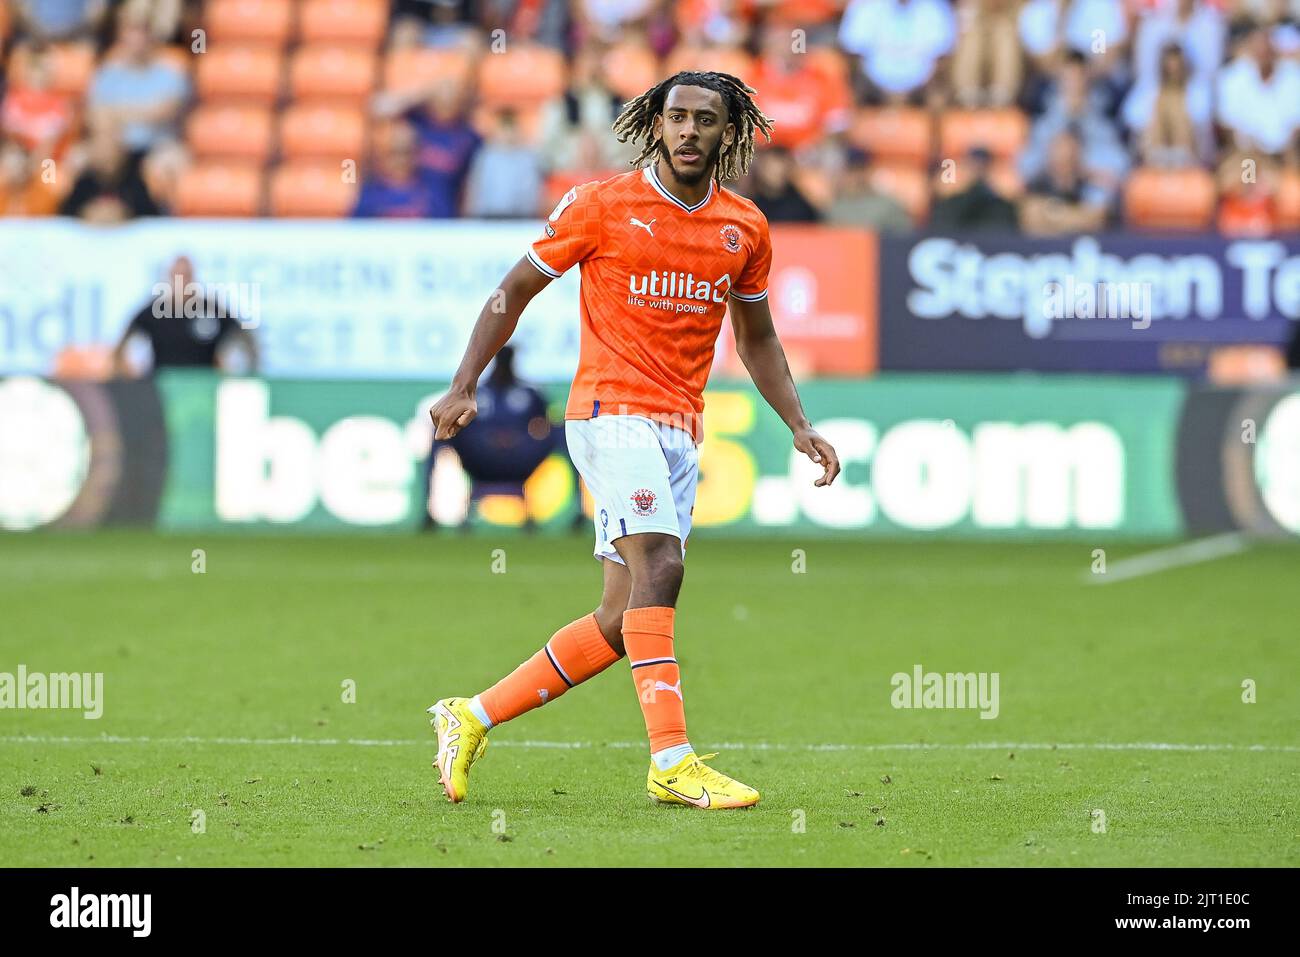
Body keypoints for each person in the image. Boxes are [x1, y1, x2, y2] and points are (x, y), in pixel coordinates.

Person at [426, 70, 841, 810]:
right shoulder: (604, 204)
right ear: (656, 124)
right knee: (664, 564)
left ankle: (471, 714)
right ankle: (672, 761)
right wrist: (465, 383)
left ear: (727, 132)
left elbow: (759, 337)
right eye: (675, 116)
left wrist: (800, 424)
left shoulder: (744, 226)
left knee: (621, 618)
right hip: (609, 412)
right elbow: (511, 290)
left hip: (681, 425)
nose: (688, 131)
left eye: (703, 120)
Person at [111, 256, 258, 375]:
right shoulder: (154, 311)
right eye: (177, 276)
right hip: (163, 387)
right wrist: (129, 378)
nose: (181, 281)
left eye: (186, 275)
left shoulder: (211, 310)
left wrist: (240, 376)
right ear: (169, 277)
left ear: (193, 277)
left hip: (203, 386)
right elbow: (121, 346)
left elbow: (246, 339)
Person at [930, 145, 1018, 232]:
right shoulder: (953, 201)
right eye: (973, 165)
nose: (978, 170)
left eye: (983, 166)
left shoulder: (1000, 203)